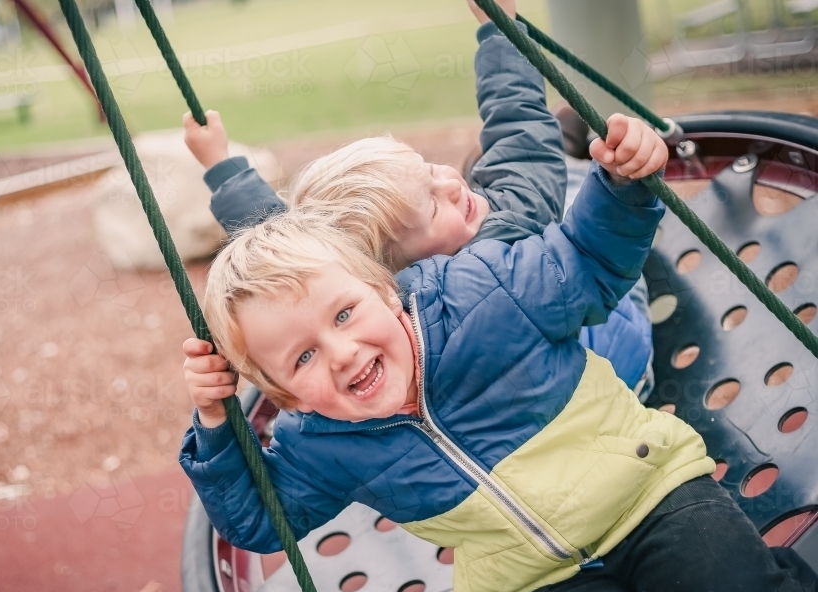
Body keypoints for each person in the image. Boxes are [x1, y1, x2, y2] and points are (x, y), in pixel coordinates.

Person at [180, 114, 818, 592]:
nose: (343, 354)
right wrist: (214, 420)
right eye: (305, 359)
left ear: (383, 288)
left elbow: (587, 257)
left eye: (346, 315)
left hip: (649, 495)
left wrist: (621, 185)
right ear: (283, 396)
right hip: (536, 581)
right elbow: (261, 520)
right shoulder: (317, 442)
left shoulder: (483, 292)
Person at [183, 0, 655, 399]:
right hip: (616, 362)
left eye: (430, 171)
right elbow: (517, 124)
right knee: (564, 192)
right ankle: (571, 145)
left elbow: (283, 244)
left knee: (483, 175)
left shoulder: (387, 316)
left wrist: (221, 166)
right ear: (386, 279)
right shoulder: (514, 219)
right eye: (432, 206)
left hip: (536, 386)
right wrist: (500, 29)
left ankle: (565, 139)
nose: (449, 187)